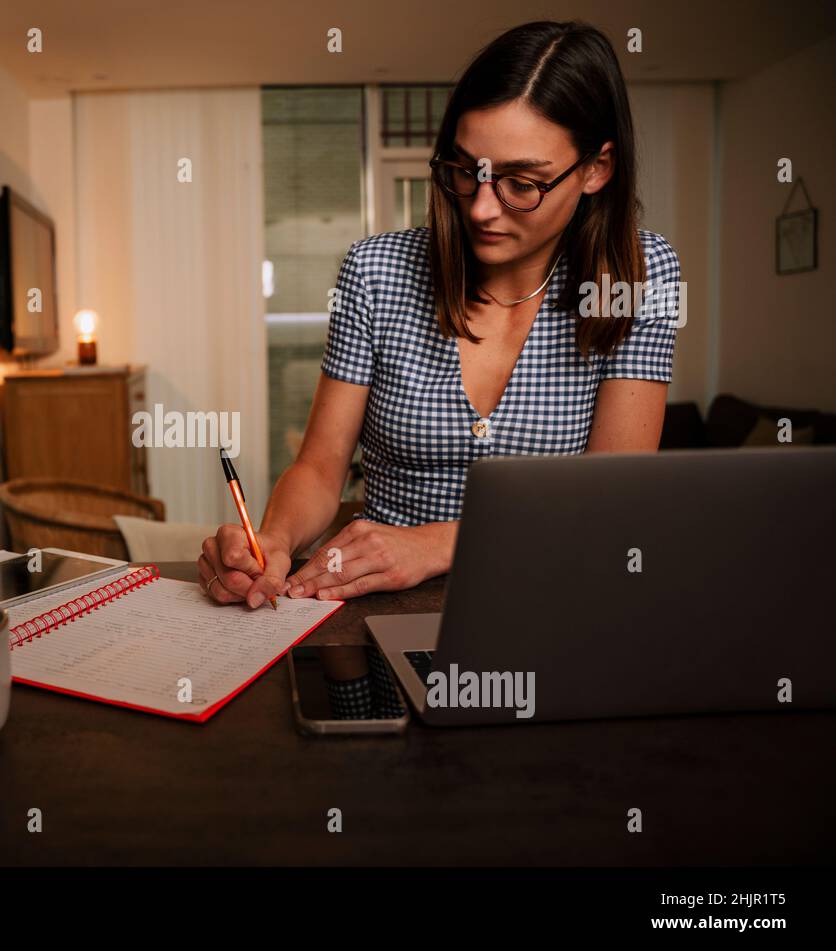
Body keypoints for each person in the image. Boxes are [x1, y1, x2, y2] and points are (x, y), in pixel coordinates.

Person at [199, 20, 681, 609]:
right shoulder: (376, 271)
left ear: (596, 170)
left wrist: (439, 546)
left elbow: (611, 503)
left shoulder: (641, 275)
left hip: (555, 605)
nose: (480, 209)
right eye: (463, 169)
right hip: (380, 614)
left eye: (520, 183)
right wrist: (271, 540)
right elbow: (321, 469)